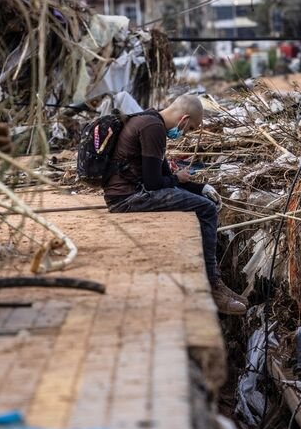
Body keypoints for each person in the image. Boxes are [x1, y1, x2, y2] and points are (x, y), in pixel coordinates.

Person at [103, 95, 248, 316]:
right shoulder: (153, 128)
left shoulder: (149, 120)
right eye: (189, 128)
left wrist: (201, 188)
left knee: (203, 201)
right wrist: (179, 180)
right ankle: (213, 286)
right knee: (207, 210)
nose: (185, 133)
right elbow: (154, 184)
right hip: (128, 198)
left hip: (131, 193)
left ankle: (215, 281)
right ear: (184, 118)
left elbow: (164, 177)